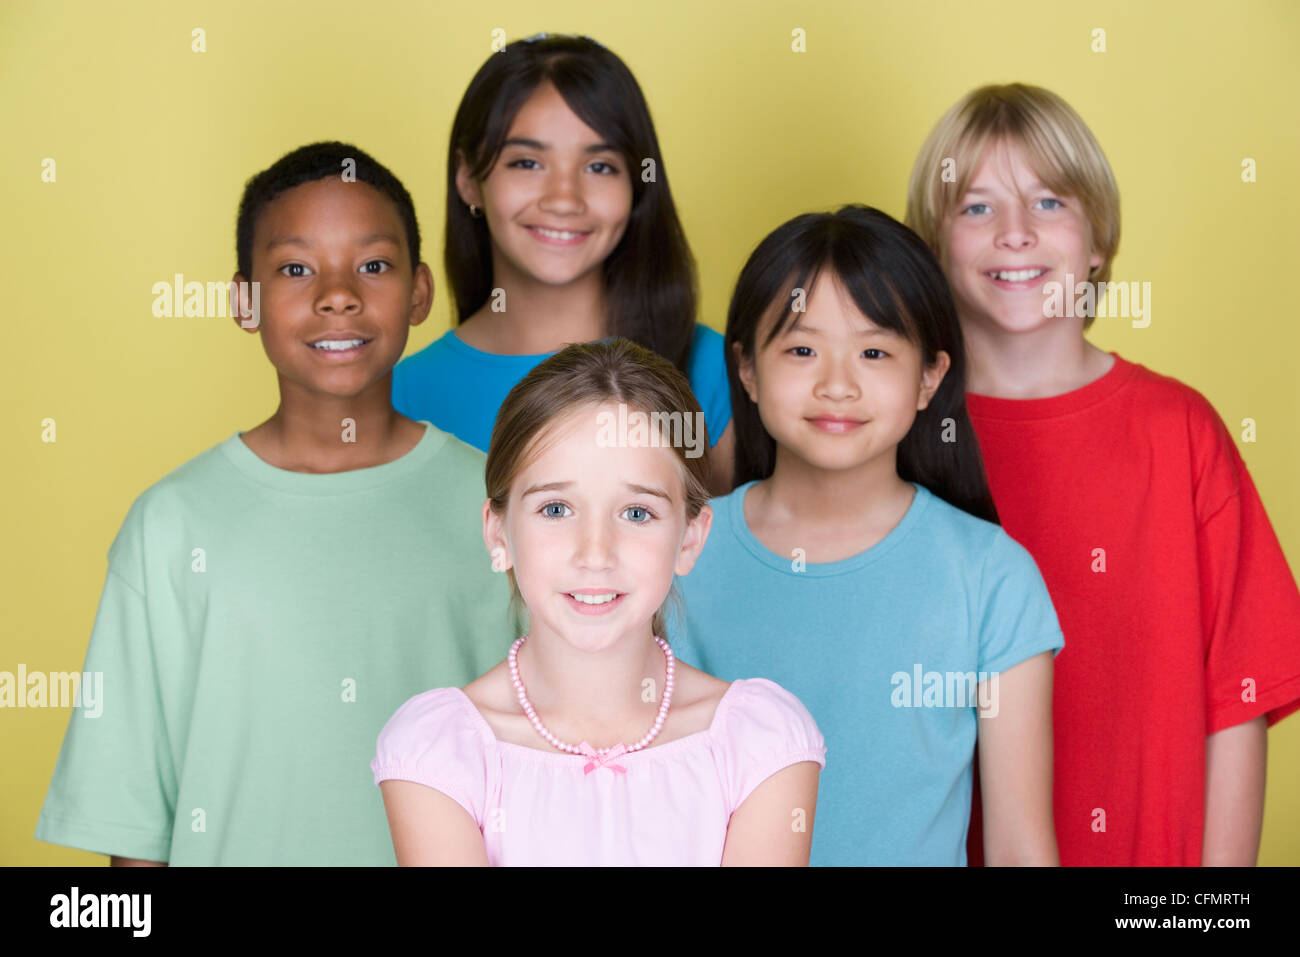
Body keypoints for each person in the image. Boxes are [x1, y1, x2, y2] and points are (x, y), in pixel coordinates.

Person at [34, 141, 518, 865]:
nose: (337, 294)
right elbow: (132, 815)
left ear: (419, 292)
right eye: (296, 268)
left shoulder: (504, 507)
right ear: (243, 301)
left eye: (373, 265)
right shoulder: (171, 523)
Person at [905, 82, 1300, 866]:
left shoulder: (1179, 431)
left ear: (1097, 241)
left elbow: (1238, 705)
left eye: (1049, 202)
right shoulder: (900, 436)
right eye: (977, 208)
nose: (1015, 234)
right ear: (934, 244)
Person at [666, 205, 1062, 865]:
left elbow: (1021, 846)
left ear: (930, 377)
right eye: (801, 349)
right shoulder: (677, 556)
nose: (838, 385)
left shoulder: (992, 575)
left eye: (875, 351)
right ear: (747, 370)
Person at [372, 338, 825, 865]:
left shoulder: (761, 743)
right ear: (498, 533)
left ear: (690, 539)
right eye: (556, 508)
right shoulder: (439, 750)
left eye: (636, 513)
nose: (595, 554)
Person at [390, 33, 736, 494]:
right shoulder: (400, 395)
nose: (564, 199)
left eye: (600, 167)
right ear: (469, 179)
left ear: (637, 186)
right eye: (527, 163)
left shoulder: (713, 372)